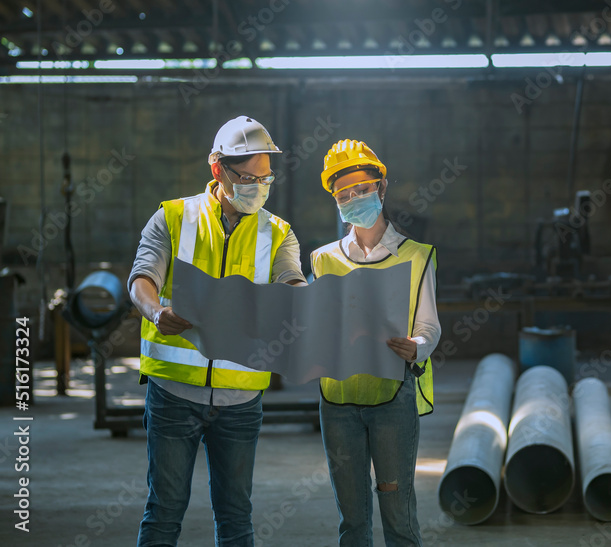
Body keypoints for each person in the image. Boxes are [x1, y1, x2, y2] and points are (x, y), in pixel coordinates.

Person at [129, 116, 307, 547]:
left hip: (241, 401)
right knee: (165, 510)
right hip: (174, 394)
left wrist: (304, 300)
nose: (257, 187)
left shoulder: (278, 232)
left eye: (265, 179)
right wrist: (155, 313)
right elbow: (141, 279)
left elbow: (291, 280)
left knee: (235, 515)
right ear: (217, 169)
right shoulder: (173, 217)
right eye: (247, 178)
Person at [311, 139, 440, 546]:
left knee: (398, 514)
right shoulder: (323, 259)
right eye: (343, 194)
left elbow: (429, 325)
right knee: (352, 519)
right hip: (338, 401)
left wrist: (416, 345)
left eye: (361, 189)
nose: (353, 198)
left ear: (381, 188)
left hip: (392, 398)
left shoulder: (416, 255)